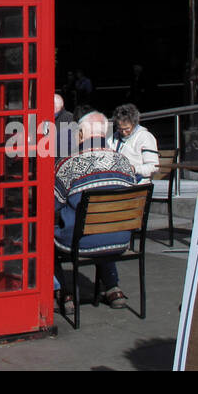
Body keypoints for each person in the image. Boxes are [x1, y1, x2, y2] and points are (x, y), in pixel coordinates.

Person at [54, 111, 138, 313]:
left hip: (82, 244)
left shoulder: (69, 165)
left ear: (81, 135)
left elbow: (52, 207)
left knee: (44, 233)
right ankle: (112, 287)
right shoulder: (124, 162)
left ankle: (62, 290)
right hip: (121, 240)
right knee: (105, 225)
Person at [111, 104, 158, 177]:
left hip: (137, 180)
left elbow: (154, 167)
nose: (123, 132)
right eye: (120, 129)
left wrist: (134, 169)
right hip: (118, 178)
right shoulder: (115, 137)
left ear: (134, 124)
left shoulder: (145, 137)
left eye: (127, 129)